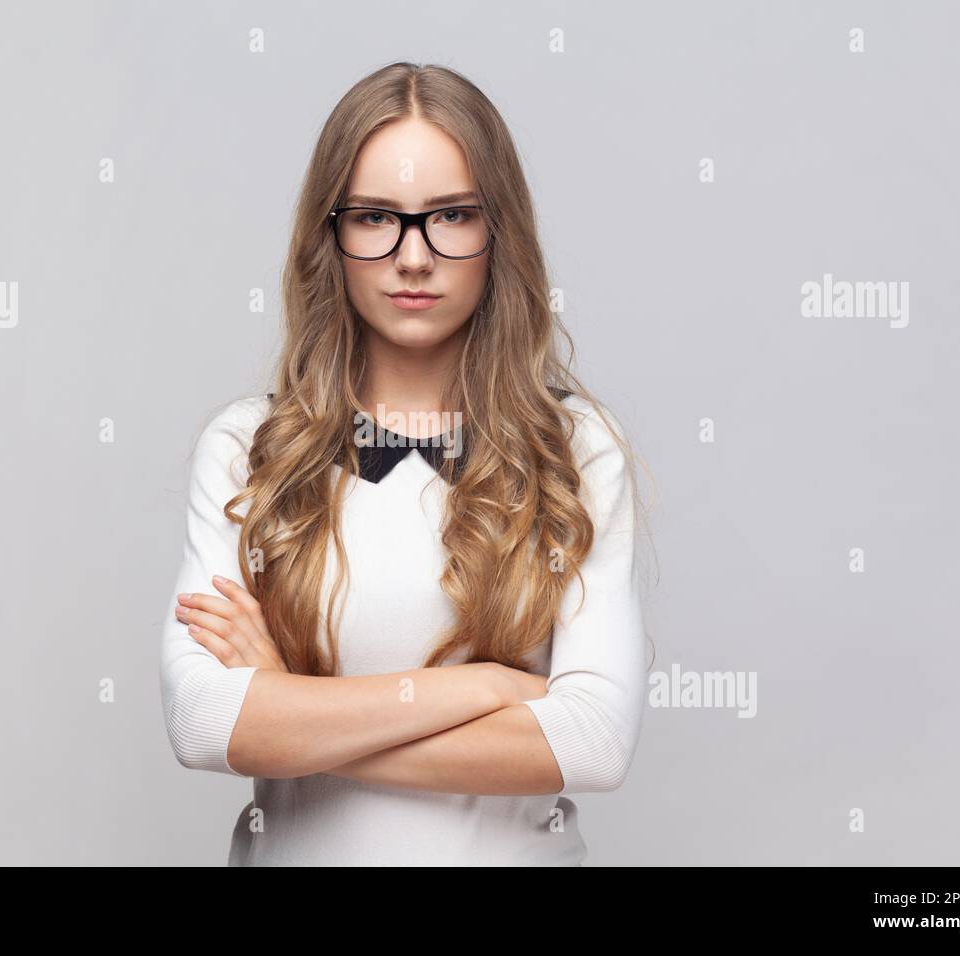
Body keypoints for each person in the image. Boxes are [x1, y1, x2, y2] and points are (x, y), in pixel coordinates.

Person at [159, 61, 657, 866]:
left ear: (501, 232)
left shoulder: (574, 448)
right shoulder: (249, 448)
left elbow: (594, 743)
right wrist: (488, 689)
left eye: (451, 215)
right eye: (375, 218)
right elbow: (203, 725)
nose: (413, 257)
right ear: (331, 234)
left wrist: (292, 716)